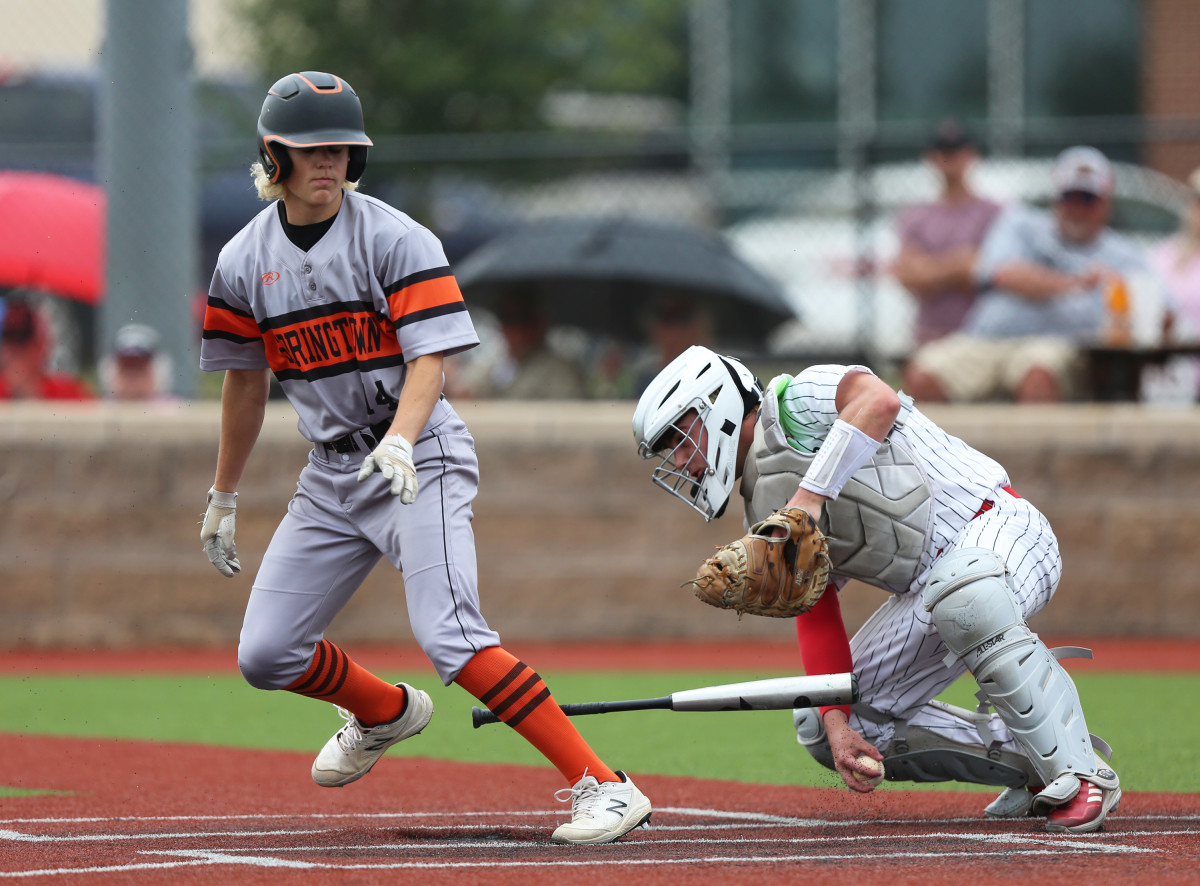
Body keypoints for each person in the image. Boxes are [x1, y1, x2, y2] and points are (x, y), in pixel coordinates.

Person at [198, 71, 650, 845]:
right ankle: (384, 711)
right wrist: (223, 494)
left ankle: (605, 786)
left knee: (453, 636)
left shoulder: (396, 238)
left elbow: (429, 361)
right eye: (310, 149)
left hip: (420, 456)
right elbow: (245, 385)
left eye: (341, 148)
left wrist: (403, 440)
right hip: (331, 473)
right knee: (266, 655)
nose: (329, 161)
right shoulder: (242, 260)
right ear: (273, 155)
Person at [631, 345, 1120, 834]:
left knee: (964, 594)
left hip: (1003, 528)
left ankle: (1081, 774)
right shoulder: (761, 509)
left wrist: (809, 498)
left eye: (679, 438)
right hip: (932, 591)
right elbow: (816, 611)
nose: (681, 461)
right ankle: (1033, 764)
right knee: (821, 718)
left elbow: (879, 401)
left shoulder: (797, 400)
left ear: (715, 407)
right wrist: (836, 722)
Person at [905, 146, 1148, 403]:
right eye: (1070, 196)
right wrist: (1075, 283)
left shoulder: (1126, 255)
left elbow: (1157, 310)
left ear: (1106, 203)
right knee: (923, 374)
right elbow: (1005, 274)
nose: (1077, 207)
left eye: (1087, 198)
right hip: (985, 339)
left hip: (1056, 343)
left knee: (1038, 375)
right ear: (1057, 198)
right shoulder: (1020, 223)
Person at [890, 121, 1001, 385]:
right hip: (930, 338)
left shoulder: (994, 212)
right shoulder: (915, 216)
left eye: (956, 149)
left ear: (971, 154)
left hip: (983, 339)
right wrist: (959, 264)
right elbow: (908, 275)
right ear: (930, 157)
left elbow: (990, 273)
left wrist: (932, 269)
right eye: (942, 149)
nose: (949, 157)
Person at [0, 296, 93, 400]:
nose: (10, 354)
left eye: (20, 345)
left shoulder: (69, 394)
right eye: (7, 342)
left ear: (40, 346)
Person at [99, 323, 174, 401]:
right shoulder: (100, 406)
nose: (133, 379)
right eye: (126, 370)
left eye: (140, 371)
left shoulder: (173, 407)